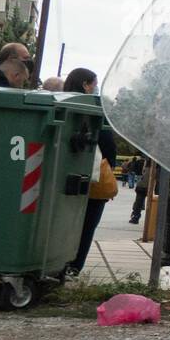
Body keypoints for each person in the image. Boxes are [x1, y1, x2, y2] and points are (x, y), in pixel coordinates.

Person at [62, 69, 118, 278]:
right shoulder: (91, 108)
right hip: (90, 177)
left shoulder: (61, 102)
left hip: (61, 177)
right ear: (86, 84)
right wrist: (108, 169)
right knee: (87, 225)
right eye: (94, 84)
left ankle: (56, 262)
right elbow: (108, 145)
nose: (95, 88)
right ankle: (74, 266)